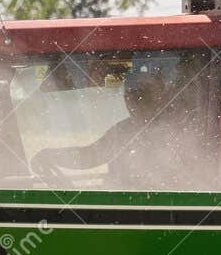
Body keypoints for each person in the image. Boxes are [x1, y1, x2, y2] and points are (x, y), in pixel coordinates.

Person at [30, 54, 204, 188]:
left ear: (162, 96)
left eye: (143, 95)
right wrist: (50, 156)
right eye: (130, 94)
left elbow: (190, 180)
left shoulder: (182, 132)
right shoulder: (125, 130)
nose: (134, 100)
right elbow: (90, 156)